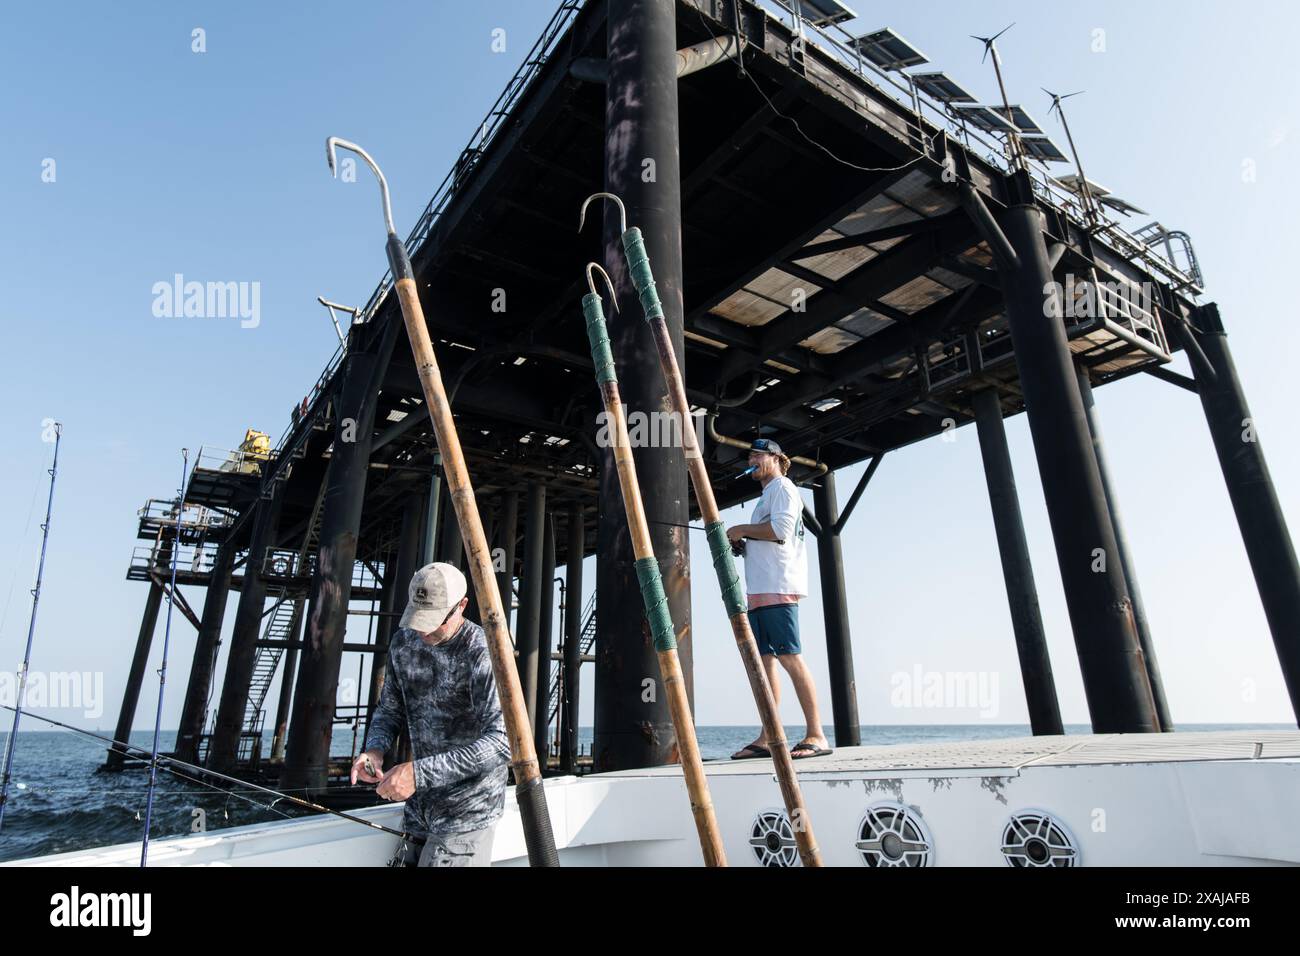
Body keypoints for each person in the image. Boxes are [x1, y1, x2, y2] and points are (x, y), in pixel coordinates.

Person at [351, 562, 510, 866]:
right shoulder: (403, 642)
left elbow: (500, 743)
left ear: (461, 606)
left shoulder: (482, 652)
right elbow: (389, 709)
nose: (423, 629)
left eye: (434, 621)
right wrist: (374, 749)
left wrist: (417, 774)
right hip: (418, 810)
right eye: (418, 618)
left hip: (467, 814)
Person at [726, 439, 833, 761]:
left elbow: (780, 531)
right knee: (766, 661)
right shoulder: (766, 495)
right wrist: (744, 541)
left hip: (778, 584)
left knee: (789, 657)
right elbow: (767, 536)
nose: (751, 460)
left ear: (775, 458)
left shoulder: (783, 487)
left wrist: (741, 528)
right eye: (749, 456)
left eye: (757, 455)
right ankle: (769, 734)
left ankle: (817, 733)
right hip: (759, 587)